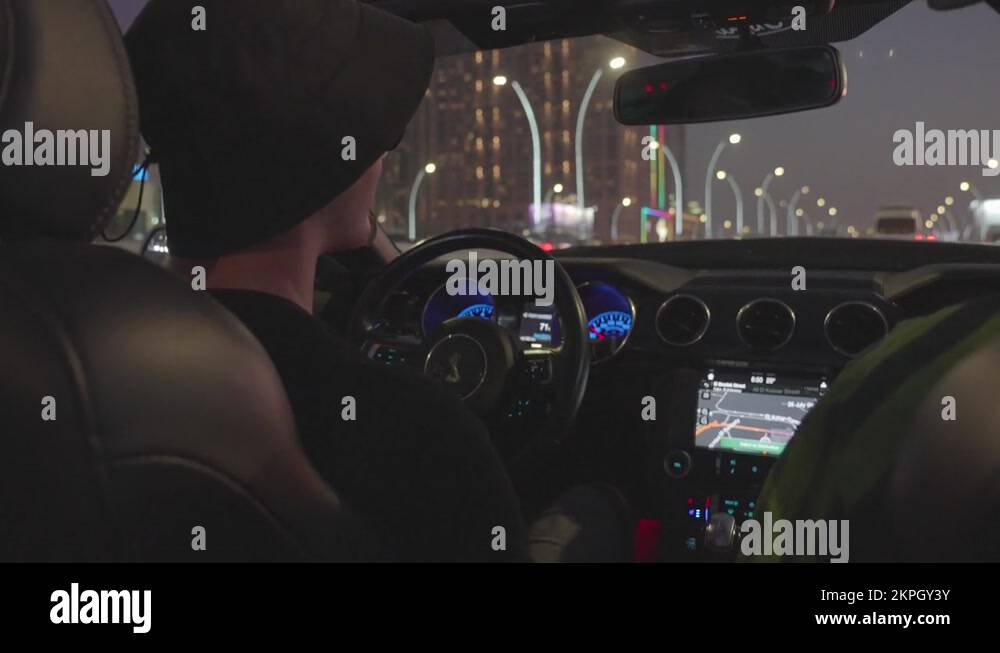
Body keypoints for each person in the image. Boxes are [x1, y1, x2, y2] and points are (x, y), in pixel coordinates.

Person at [126, 0, 632, 562]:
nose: (383, 156)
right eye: (375, 136)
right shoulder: (417, 436)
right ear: (327, 159)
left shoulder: (84, 356)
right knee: (599, 512)